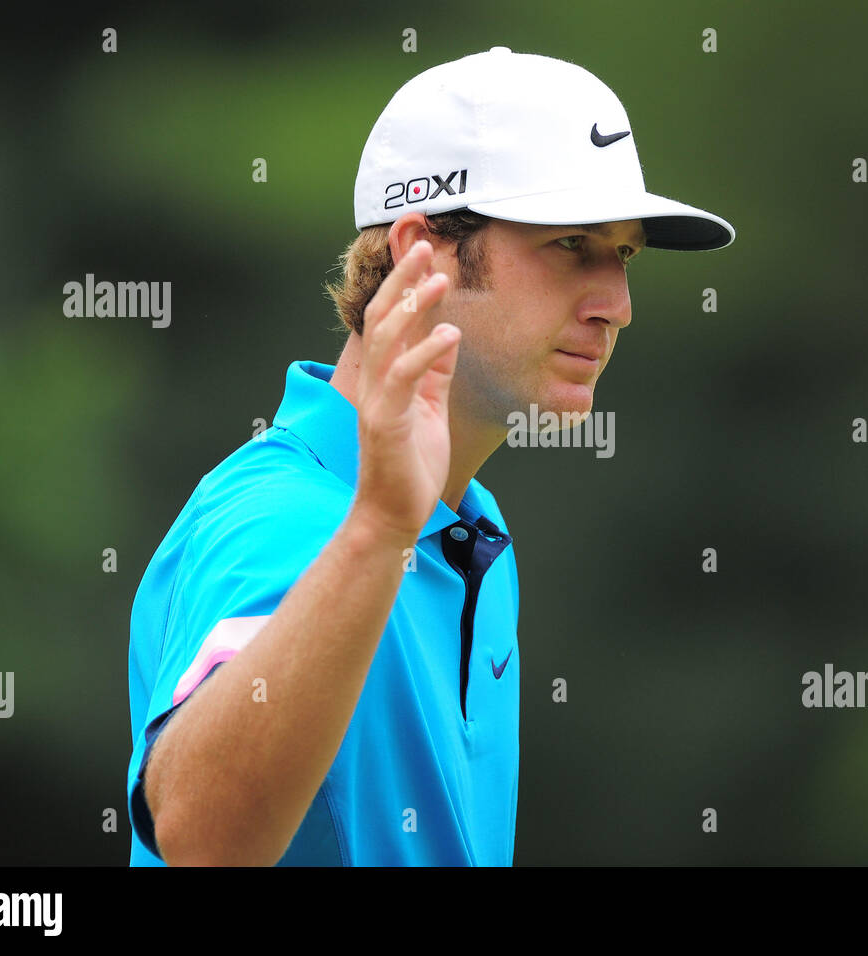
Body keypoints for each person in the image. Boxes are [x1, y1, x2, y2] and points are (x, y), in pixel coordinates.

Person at [125, 46, 735, 866]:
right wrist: (377, 531)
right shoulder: (283, 519)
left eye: (622, 254)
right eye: (571, 245)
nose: (616, 305)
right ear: (422, 252)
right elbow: (200, 840)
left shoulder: (470, 530)